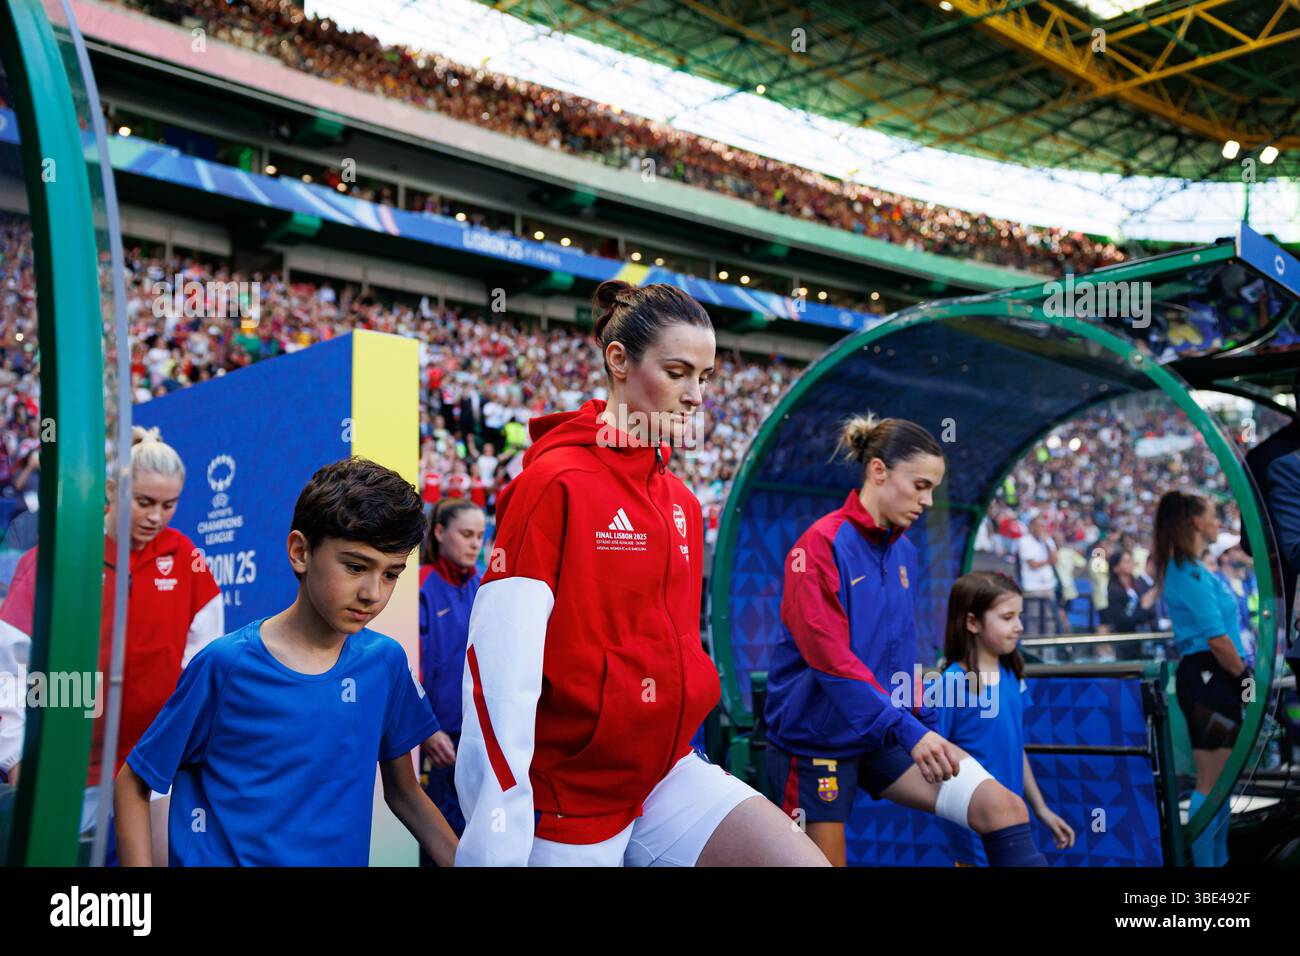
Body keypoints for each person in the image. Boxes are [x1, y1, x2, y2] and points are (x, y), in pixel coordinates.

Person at [454, 280, 825, 866]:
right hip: (569, 796)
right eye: (678, 372)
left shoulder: (681, 499)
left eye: (704, 377)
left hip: (665, 773)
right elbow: (497, 676)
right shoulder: (552, 484)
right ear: (618, 360)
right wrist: (497, 831)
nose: (696, 395)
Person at [113, 458, 458, 866]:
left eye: (391, 574)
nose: (373, 592)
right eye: (356, 566)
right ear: (300, 552)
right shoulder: (224, 666)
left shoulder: (385, 664)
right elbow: (134, 783)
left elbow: (404, 793)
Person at [764, 415, 1047, 867]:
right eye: (919, 485)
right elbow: (832, 663)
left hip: (883, 731)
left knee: (1004, 808)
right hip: (816, 741)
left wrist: (927, 723)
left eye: (933, 488)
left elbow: (904, 652)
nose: (927, 500)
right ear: (879, 471)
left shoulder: (904, 550)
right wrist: (911, 731)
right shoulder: (819, 544)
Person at [0, 427, 223, 863]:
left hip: (150, 769)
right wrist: (15, 755)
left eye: (169, 505)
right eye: (144, 502)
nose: (156, 517)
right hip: (66, 772)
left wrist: (182, 744)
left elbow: (203, 664)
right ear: (111, 489)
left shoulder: (187, 559)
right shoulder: (60, 556)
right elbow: (10, 666)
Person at [934, 572, 1075, 865]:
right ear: (972, 622)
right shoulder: (950, 684)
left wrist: (1041, 808)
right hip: (974, 828)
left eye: (1019, 616)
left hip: (1012, 822)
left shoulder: (1011, 674)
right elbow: (935, 756)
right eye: (1008, 617)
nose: (1019, 626)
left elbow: (1015, 746)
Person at [1155, 490, 1248, 867]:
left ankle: (1219, 861)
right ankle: (1206, 865)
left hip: (1220, 676)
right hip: (1210, 675)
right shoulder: (1187, 572)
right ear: (1195, 521)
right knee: (1211, 780)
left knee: (1223, 780)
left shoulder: (1195, 567)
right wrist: (1247, 678)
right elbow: (1217, 638)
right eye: (1213, 515)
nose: (1217, 521)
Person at [416, 498, 484, 861]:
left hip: (478, 740)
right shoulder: (422, 587)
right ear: (440, 533)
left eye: (480, 536)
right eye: (467, 535)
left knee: (473, 840)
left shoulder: (485, 585)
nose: (475, 544)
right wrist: (427, 730)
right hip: (437, 741)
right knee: (437, 842)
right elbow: (412, 669)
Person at [1099, 550, 1159, 659]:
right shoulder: (1114, 590)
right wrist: (1144, 608)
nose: (1131, 564)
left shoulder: (1138, 585)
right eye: (1126, 561)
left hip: (1144, 638)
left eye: (1131, 560)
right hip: (1126, 642)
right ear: (1116, 568)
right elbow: (1122, 620)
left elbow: (1149, 611)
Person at [1017, 514, 1058, 636]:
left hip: (1048, 587)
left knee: (1050, 621)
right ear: (1032, 526)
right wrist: (1048, 562)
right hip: (1032, 588)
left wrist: (1047, 544)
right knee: (1033, 621)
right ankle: (1033, 651)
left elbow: (1055, 560)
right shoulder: (1024, 541)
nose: (1042, 528)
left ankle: (1049, 653)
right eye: (1039, 525)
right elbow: (1033, 564)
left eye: (1043, 526)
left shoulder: (1048, 541)